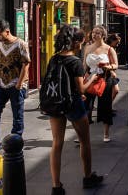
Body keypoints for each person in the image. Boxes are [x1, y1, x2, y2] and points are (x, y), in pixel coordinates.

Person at [47, 25, 103, 194]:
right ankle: (87, 177)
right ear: (77, 43)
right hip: (73, 104)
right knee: (84, 141)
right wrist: (93, 78)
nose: (83, 45)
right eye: (82, 42)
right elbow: (82, 88)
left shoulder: (54, 58)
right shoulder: (75, 61)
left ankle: (56, 186)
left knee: (57, 144)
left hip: (55, 103)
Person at [0, 20, 31, 141]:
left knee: (17, 114)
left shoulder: (21, 44)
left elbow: (26, 64)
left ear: (7, 32)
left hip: (16, 84)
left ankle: (16, 140)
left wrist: (19, 84)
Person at [83, 25, 118, 142]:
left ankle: (106, 134)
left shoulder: (109, 49)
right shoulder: (87, 48)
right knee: (86, 106)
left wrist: (107, 66)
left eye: (97, 33)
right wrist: (83, 76)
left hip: (104, 78)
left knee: (105, 105)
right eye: (93, 32)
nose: (94, 35)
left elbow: (115, 65)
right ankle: (82, 134)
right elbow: (84, 65)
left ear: (103, 35)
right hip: (90, 79)